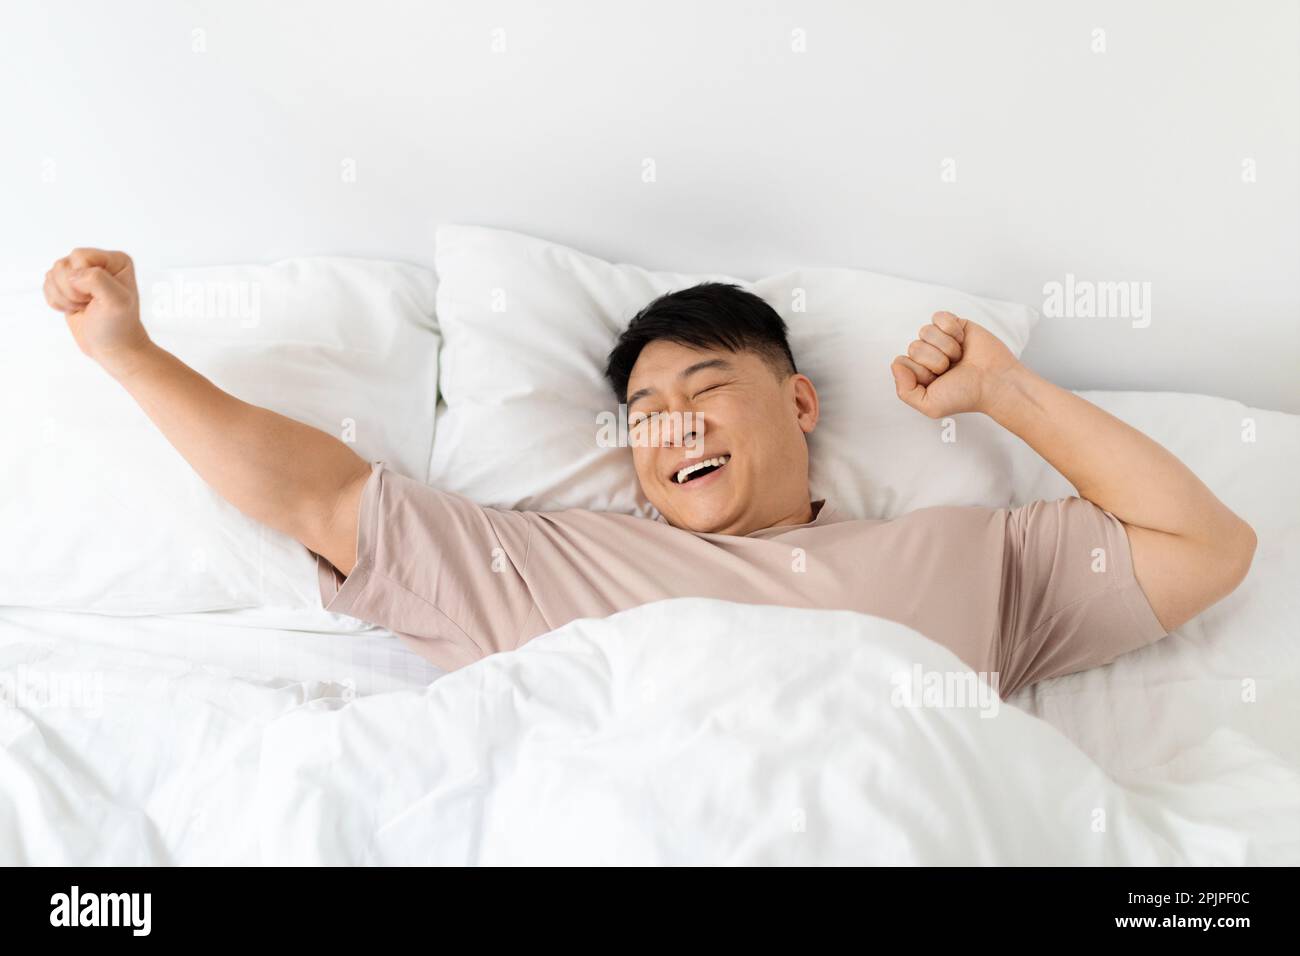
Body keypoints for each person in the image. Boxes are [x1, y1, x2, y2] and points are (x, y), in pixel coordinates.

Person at [43, 248, 1256, 696]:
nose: (670, 428)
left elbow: (1205, 546)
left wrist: (1002, 392)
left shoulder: (961, 551)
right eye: (642, 413)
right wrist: (130, 353)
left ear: (794, 401)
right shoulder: (541, 557)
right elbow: (310, 490)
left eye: (701, 391)